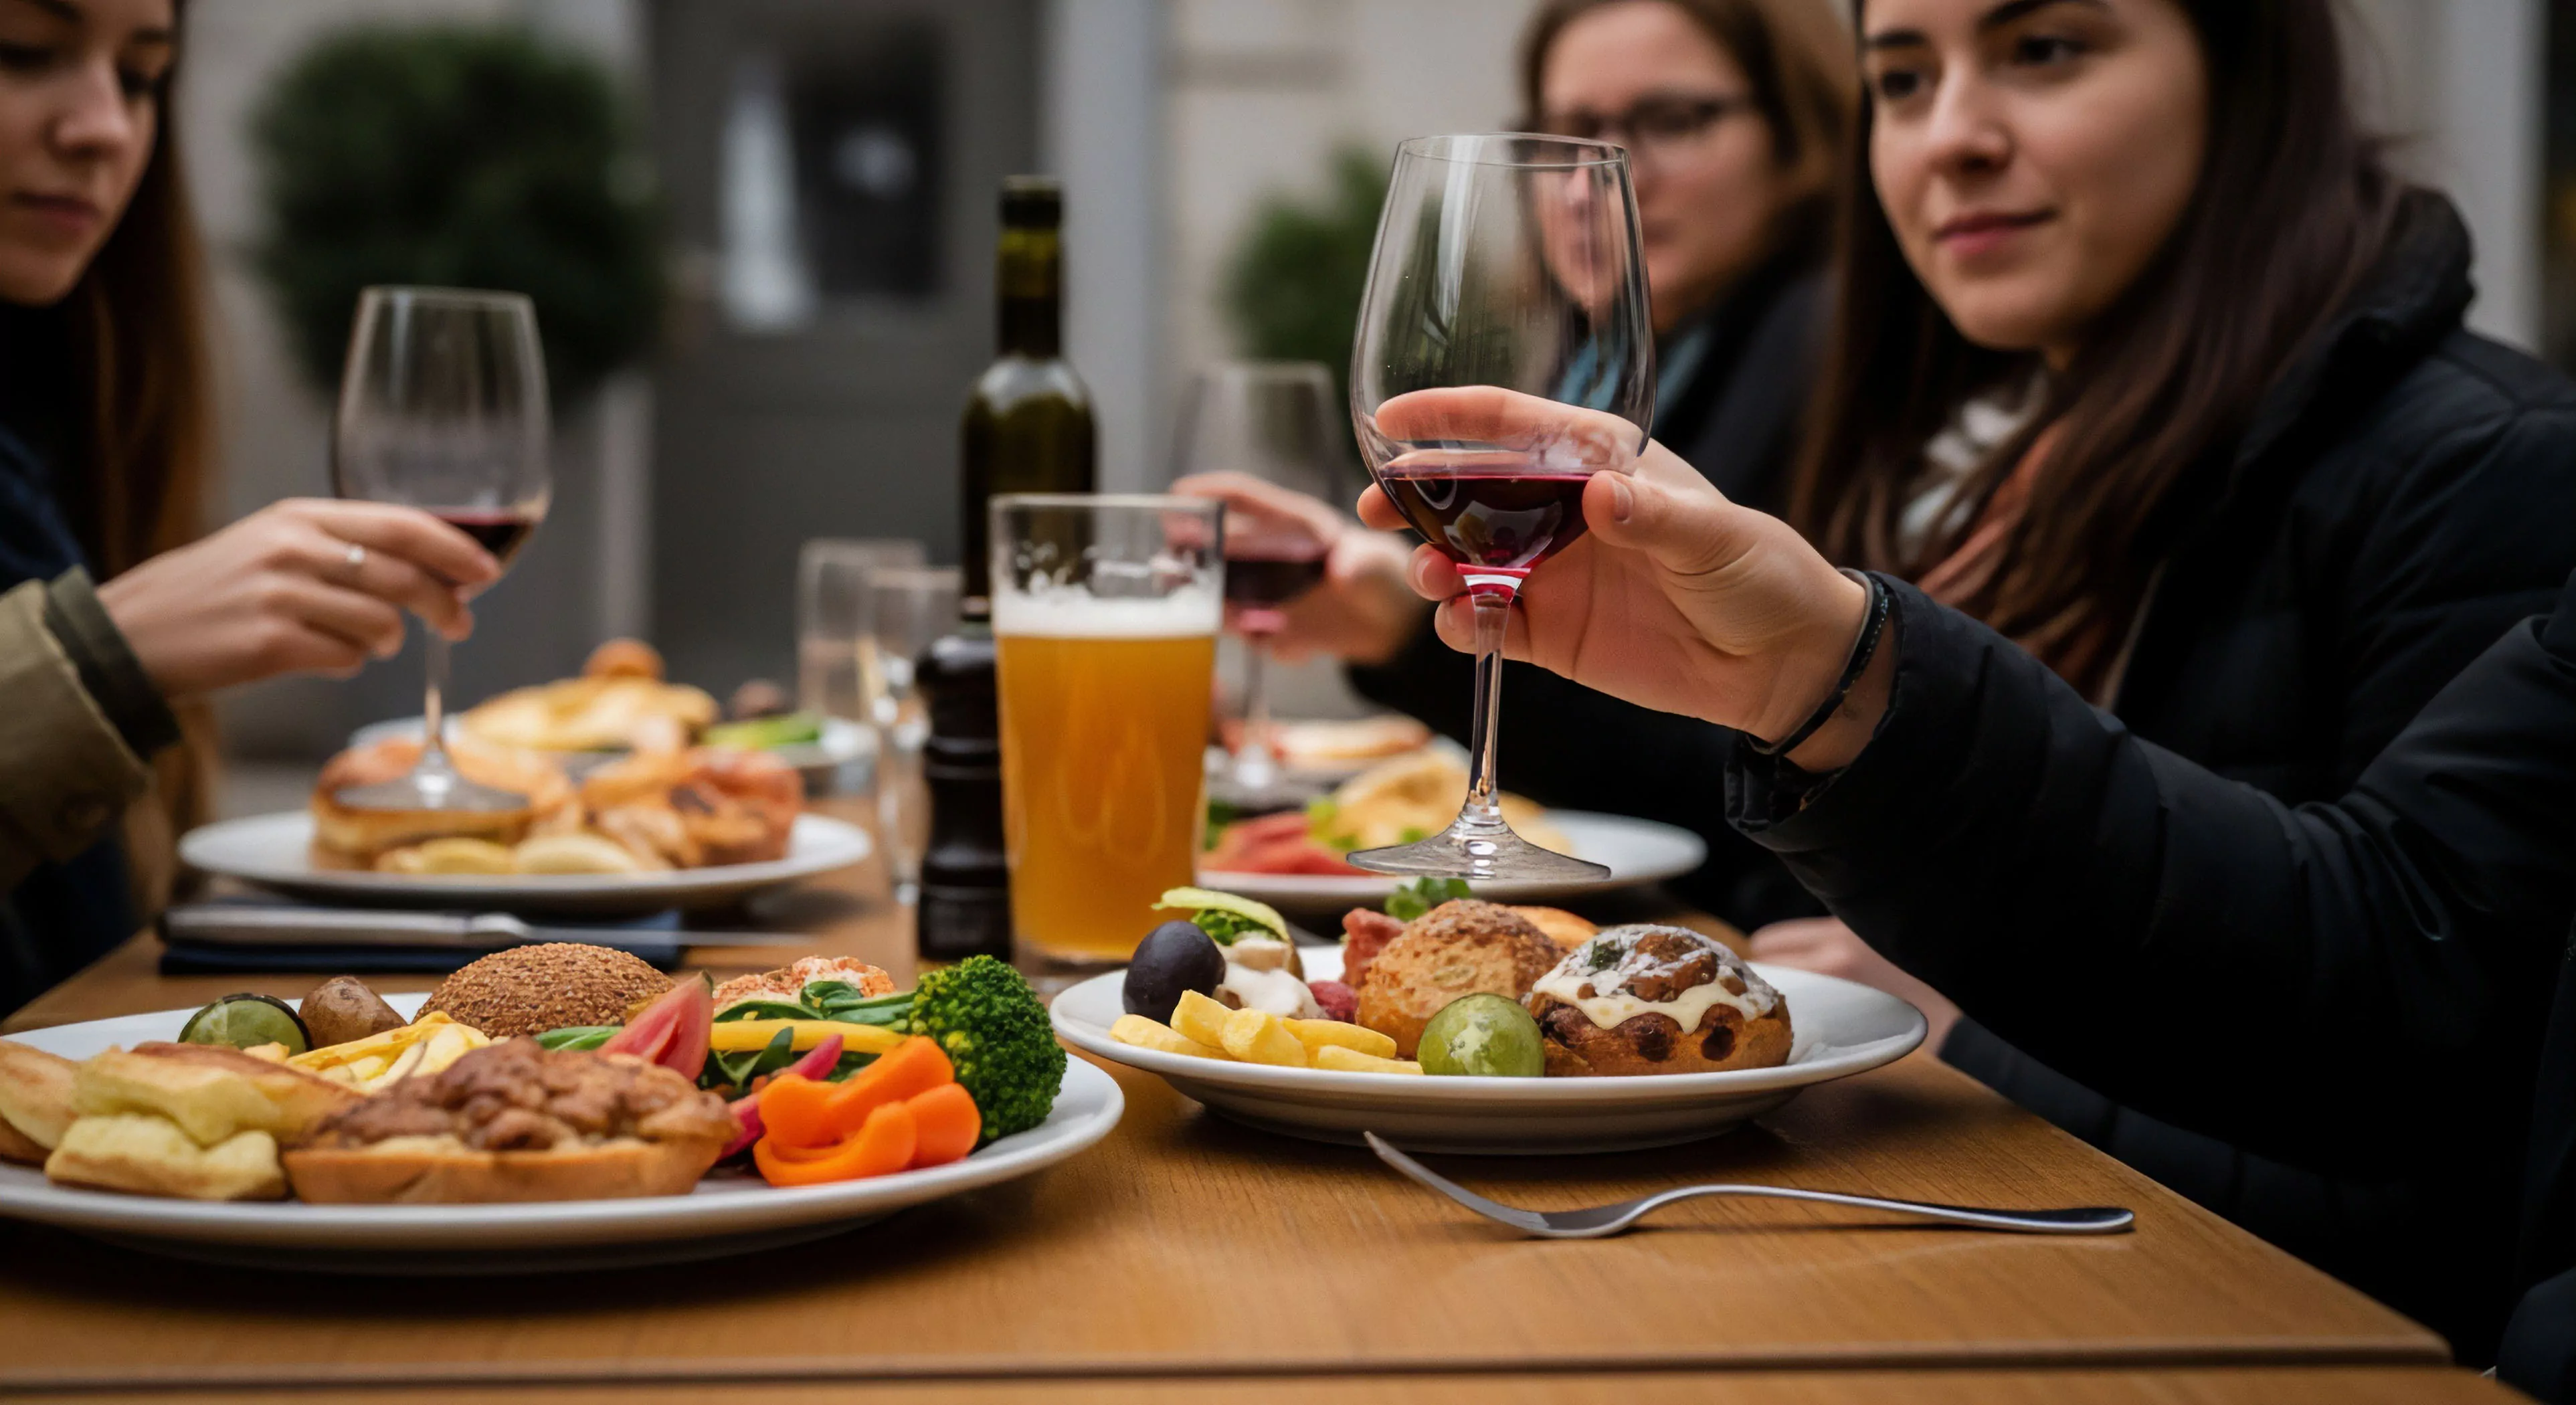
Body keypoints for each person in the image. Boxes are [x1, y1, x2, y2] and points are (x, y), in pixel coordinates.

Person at [1350, 0, 2576, 1365]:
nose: (1951, 140)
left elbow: (2443, 1142)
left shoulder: (2489, 467)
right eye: (1902, 76)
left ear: (2241, 74)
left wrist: (1969, 1039)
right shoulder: (1980, 452)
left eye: (2045, 49)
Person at [1186, 0, 1854, 924]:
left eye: (1672, 119)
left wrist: (1410, 638)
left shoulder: (1829, 355)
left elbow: (1734, 761)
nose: (1595, 181)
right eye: (1572, 130)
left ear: (1795, 136)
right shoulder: (1584, 368)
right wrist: (1392, 609)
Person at [0, 0, 502, 1014]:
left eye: (143, 76)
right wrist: (102, 659)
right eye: (21, 52)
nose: (101, 124)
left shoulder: (73, 408)